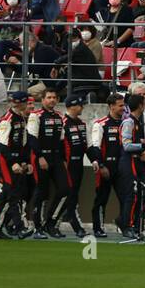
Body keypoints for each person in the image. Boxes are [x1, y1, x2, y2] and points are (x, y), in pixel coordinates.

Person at [0, 91, 34, 239]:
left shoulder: (22, 118)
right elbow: (2, 145)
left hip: (16, 160)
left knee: (7, 194)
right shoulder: (7, 119)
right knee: (12, 193)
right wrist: (14, 163)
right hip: (6, 160)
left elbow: (24, 143)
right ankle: (19, 227)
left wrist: (26, 162)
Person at [116, 92, 145, 242]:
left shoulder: (136, 121)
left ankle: (130, 224)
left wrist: (143, 145)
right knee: (131, 195)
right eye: (143, 103)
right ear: (140, 105)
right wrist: (144, 145)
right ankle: (126, 225)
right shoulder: (129, 122)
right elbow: (126, 145)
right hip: (128, 162)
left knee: (139, 194)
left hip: (135, 161)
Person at [46, 94, 88, 238]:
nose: (82, 107)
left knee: (73, 196)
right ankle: (53, 224)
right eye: (80, 105)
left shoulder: (82, 123)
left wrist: (96, 161)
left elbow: (85, 146)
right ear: (72, 106)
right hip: (66, 165)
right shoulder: (62, 122)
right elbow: (58, 145)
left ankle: (72, 224)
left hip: (78, 164)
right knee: (65, 195)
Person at [25, 87, 65, 237]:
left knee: (65, 189)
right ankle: (37, 226)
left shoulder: (60, 116)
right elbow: (32, 138)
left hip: (56, 158)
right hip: (41, 158)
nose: (52, 100)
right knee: (41, 192)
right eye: (49, 97)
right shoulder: (36, 115)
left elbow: (61, 141)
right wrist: (40, 156)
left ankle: (50, 223)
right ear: (42, 100)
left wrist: (63, 160)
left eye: (54, 97)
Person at [88, 92, 124, 238]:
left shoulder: (126, 122)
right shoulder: (101, 124)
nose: (123, 108)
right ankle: (98, 228)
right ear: (111, 106)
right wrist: (101, 166)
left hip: (122, 167)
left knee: (126, 198)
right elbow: (95, 147)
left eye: (124, 105)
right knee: (101, 199)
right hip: (106, 167)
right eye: (120, 105)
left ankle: (123, 224)